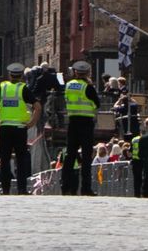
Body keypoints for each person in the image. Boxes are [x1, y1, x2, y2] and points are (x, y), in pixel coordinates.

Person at [0, 62, 33, 195]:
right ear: (21, 76)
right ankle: (22, 189)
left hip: (5, 128)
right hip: (20, 128)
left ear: (10, 75)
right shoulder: (23, 88)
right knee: (21, 159)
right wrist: (31, 123)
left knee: (5, 159)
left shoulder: (2, 87)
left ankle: (6, 189)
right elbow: (38, 106)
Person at [60, 60, 97, 195]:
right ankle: (86, 188)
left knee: (70, 156)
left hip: (72, 122)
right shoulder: (88, 87)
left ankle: (65, 186)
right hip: (86, 123)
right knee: (86, 157)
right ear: (87, 73)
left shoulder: (68, 85)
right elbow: (96, 103)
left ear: (75, 72)